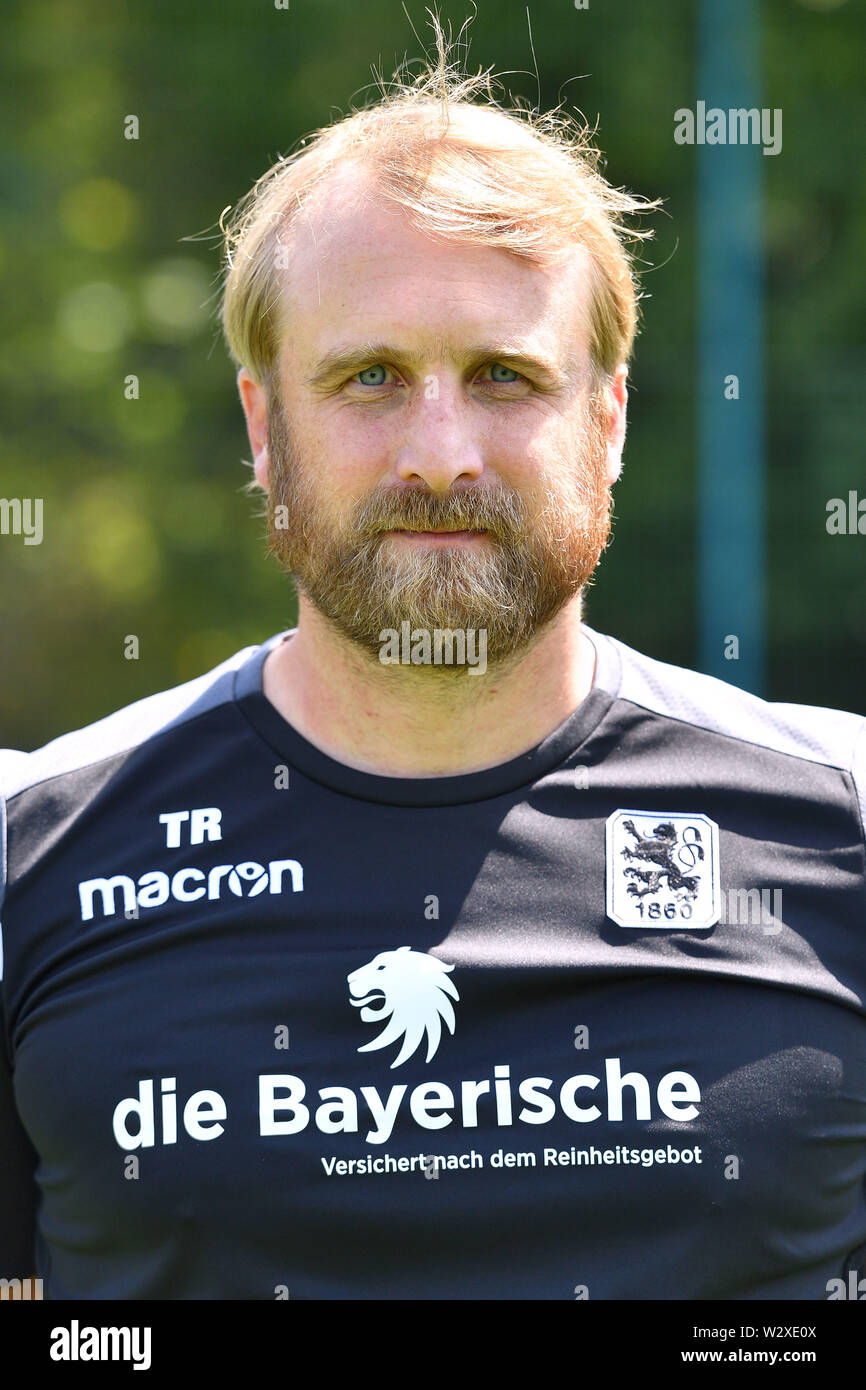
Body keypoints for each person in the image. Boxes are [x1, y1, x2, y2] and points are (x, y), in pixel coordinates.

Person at [2, 48, 865, 1302]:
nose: (440, 453)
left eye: (503, 376)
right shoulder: (33, 857)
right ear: (261, 426)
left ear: (608, 420)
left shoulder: (840, 823)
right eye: (371, 379)